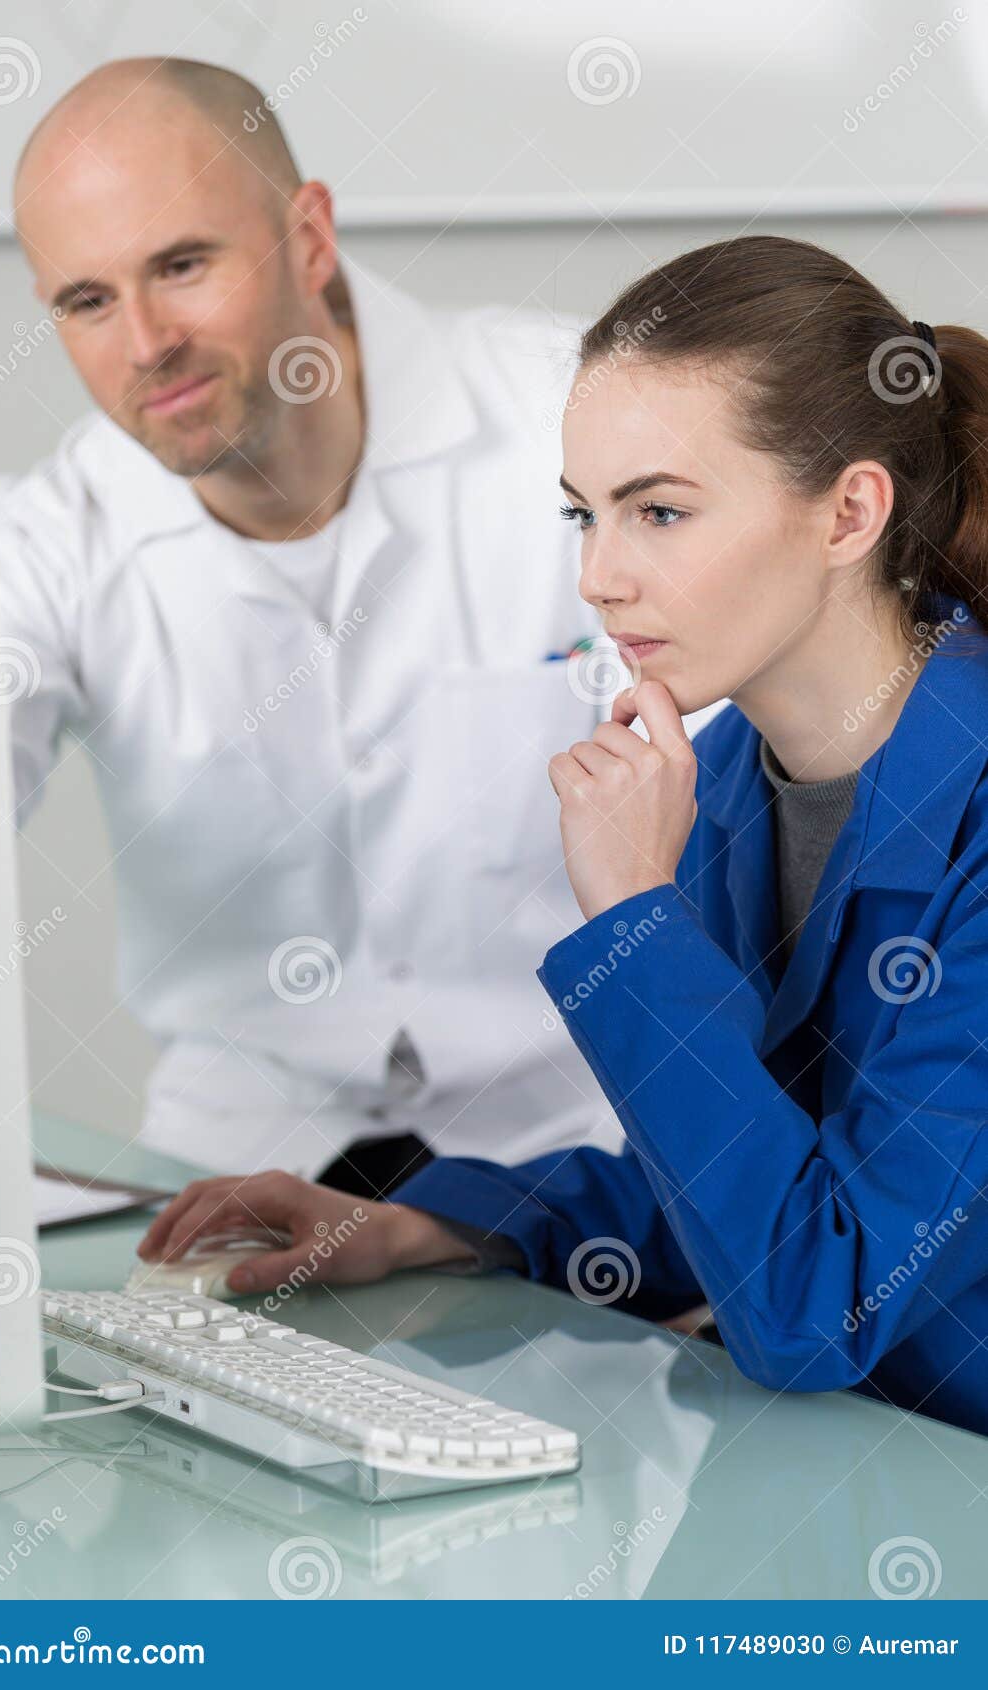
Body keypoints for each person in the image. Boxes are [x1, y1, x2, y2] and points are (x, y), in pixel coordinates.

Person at [141, 233, 988, 1439]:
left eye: (658, 511)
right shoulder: (736, 778)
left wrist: (635, 917)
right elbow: (737, 1181)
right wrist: (438, 1221)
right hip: (860, 1471)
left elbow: (816, 1296)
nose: (596, 574)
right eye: (581, 513)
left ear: (848, 510)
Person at [0, 56, 688, 1190]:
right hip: (233, 1166)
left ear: (308, 236)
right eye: (88, 301)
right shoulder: (59, 539)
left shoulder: (578, 422)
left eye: (184, 264)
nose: (147, 341)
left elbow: (786, 789)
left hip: (589, 1156)